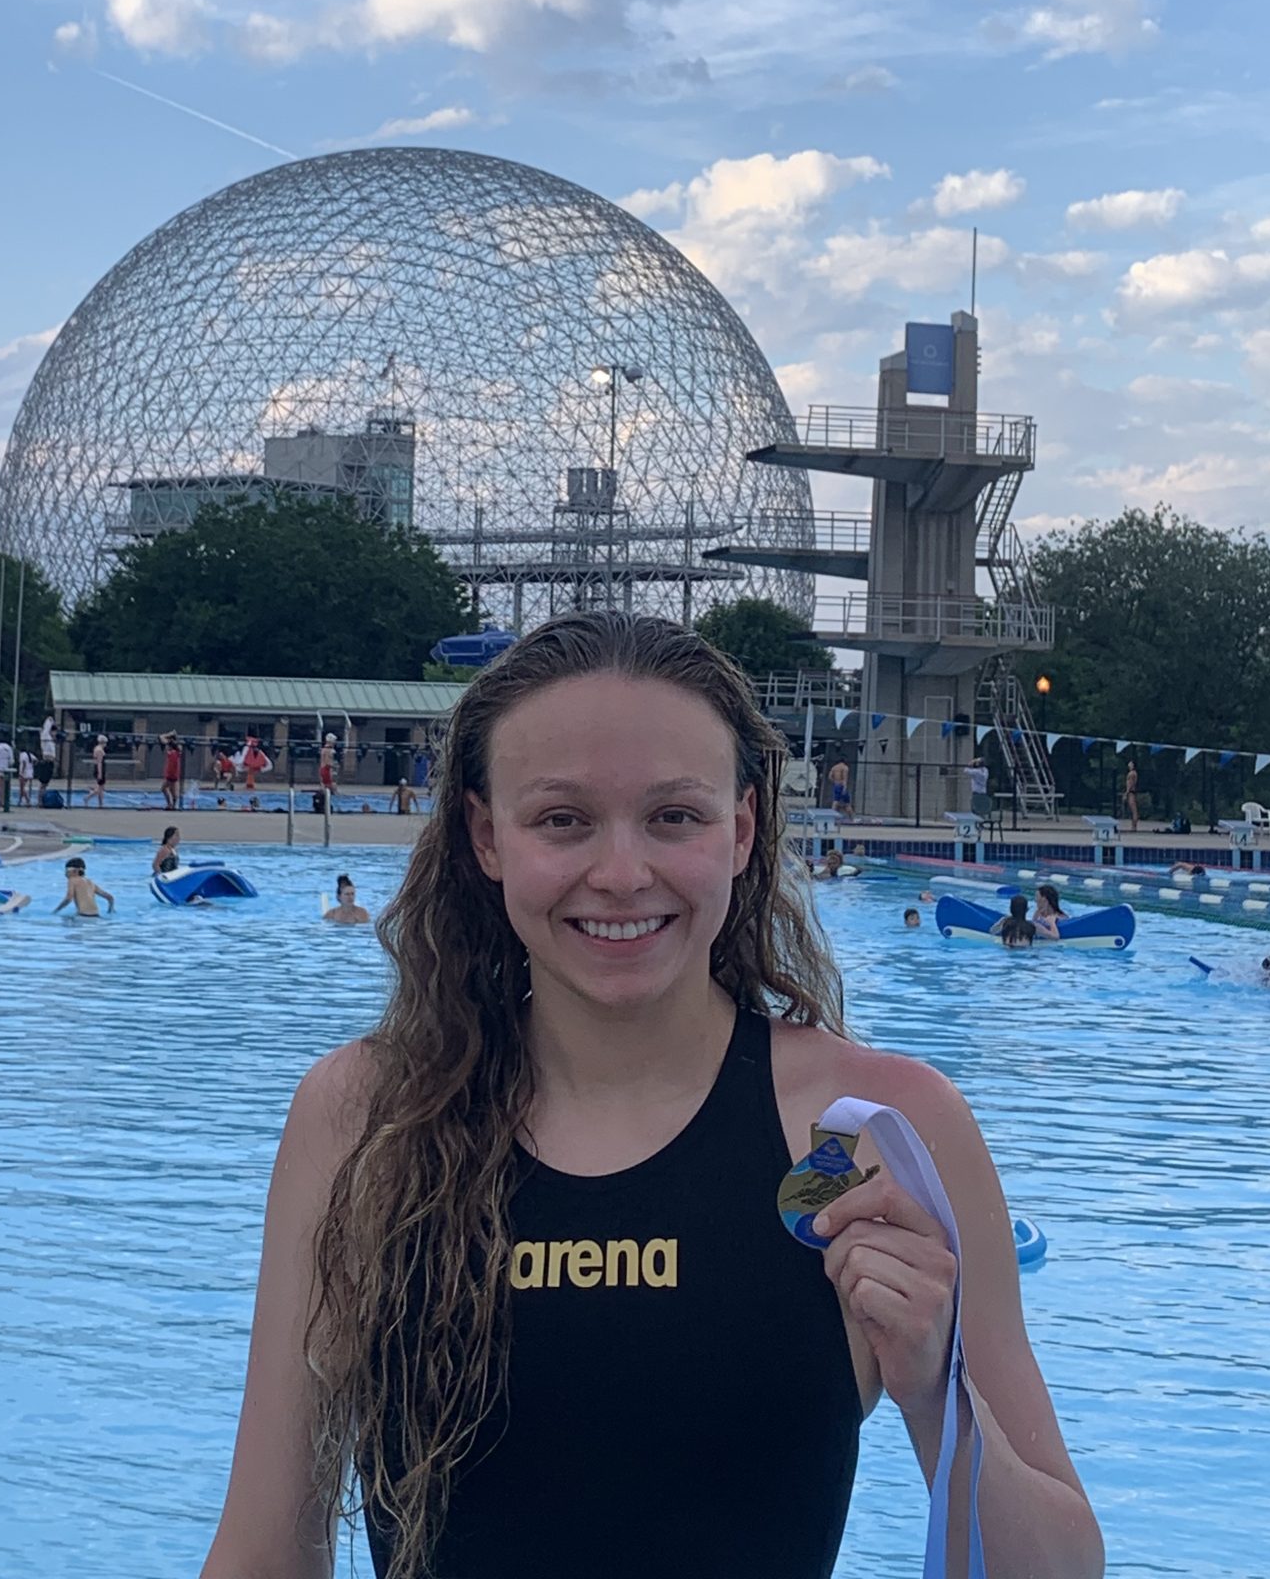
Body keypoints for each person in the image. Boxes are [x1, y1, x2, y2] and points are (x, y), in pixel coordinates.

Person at [200, 611, 1101, 1579]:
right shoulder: (366, 1119)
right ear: (485, 833)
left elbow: (1057, 1567)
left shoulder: (863, 1130)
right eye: (563, 818)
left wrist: (939, 1392)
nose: (622, 874)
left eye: (674, 815)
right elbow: (264, 1552)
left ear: (742, 828)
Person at [0, 733, 16, 812]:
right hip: (6, 769)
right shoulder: (9, 748)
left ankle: (0, 800)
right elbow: (11, 760)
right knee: (5, 786)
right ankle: (5, 800)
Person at [964, 755, 991, 822]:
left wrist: (970, 763)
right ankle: (981, 823)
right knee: (981, 809)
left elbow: (966, 770)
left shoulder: (976, 772)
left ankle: (976, 823)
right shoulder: (985, 771)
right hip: (983, 792)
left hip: (976, 793)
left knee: (975, 809)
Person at [162, 734, 183, 812]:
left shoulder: (172, 753)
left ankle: (171, 805)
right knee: (169, 789)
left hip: (171, 774)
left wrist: (170, 734)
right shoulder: (177, 753)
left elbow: (161, 737)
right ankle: (172, 805)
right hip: (173, 774)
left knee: (166, 789)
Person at [827, 755, 851, 819]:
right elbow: (845, 778)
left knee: (835, 801)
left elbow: (829, 776)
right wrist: (844, 787)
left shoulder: (834, 767)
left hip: (836, 785)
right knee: (847, 803)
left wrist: (835, 781)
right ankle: (851, 818)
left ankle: (831, 816)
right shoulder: (845, 767)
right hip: (842, 785)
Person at [90, 734, 108, 809]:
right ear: (102, 742)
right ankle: (88, 798)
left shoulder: (96, 748)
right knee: (100, 788)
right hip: (100, 769)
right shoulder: (99, 750)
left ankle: (100, 804)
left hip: (98, 768)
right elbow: (99, 762)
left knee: (101, 788)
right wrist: (100, 773)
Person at [1122, 760, 1140, 833]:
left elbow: (1130, 784)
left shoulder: (1132, 774)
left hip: (1131, 793)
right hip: (1131, 792)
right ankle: (1133, 826)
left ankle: (1134, 827)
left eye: (1130, 764)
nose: (1128, 765)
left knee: (1134, 810)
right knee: (1133, 810)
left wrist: (1126, 793)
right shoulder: (1134, 773)